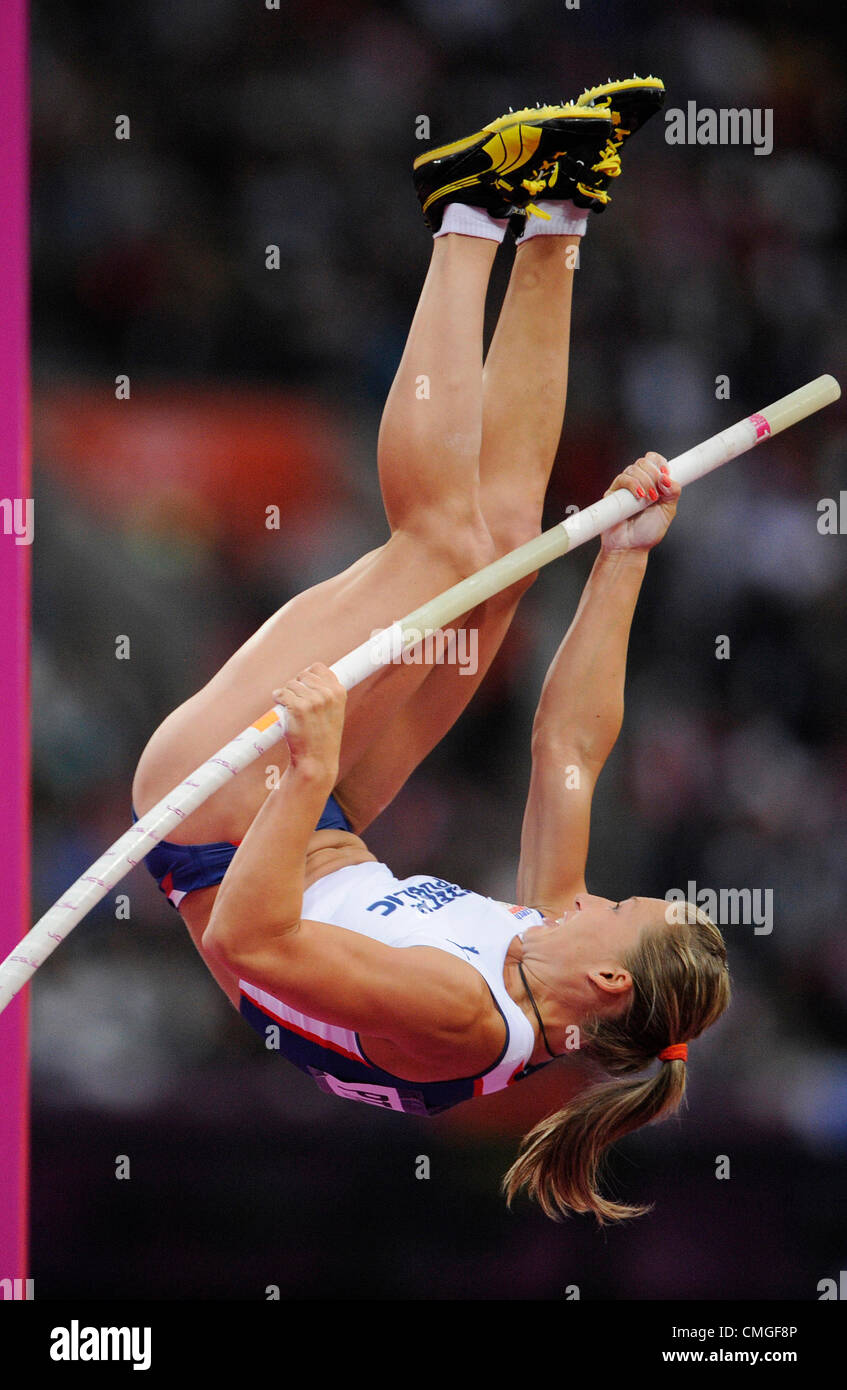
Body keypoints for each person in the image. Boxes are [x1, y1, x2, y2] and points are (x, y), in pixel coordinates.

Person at [132, 80, 730, 1224]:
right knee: (506, 556)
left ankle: (464, 216)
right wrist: (626, 551)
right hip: (320, 818)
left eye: (619, 908)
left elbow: (256, 944)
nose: (593, 896)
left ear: (608, 978)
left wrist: (305, 771)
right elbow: (566, 744)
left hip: (214, 829)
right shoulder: (554, 955)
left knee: (442, 545)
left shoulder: (469, 1019)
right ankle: (558, 209)